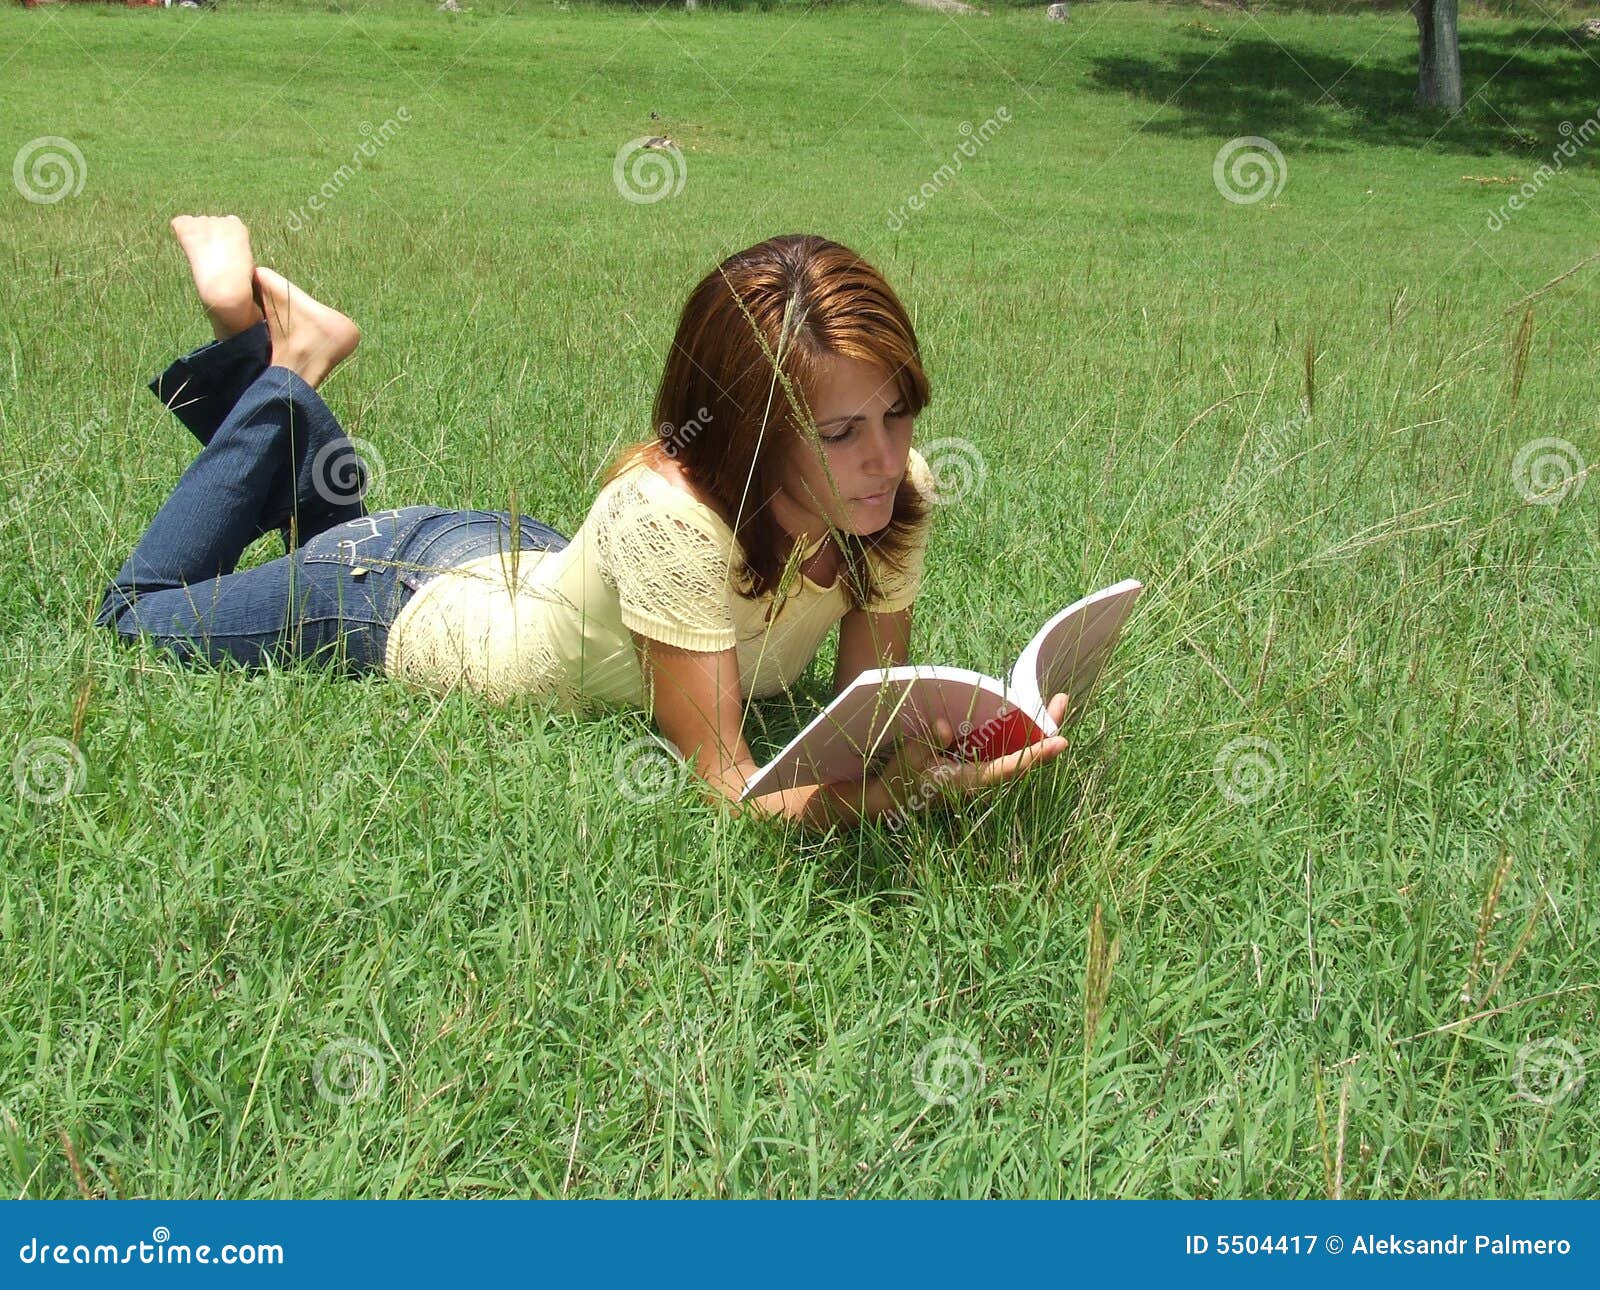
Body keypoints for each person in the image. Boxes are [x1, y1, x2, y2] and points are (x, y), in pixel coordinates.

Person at [94, 216, 1072, 830]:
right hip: (394, 604)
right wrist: (884, 801)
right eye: (839, 432)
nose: (883, 457)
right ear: (747, 433)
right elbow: (726, 785)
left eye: (897, 414)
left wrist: (960, 743)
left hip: (509, 565)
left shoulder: (894, 492)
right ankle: (284, 367)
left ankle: (284, 375)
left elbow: (868, 708)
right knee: (135, 621)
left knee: (320, 543)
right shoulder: (675, 520)